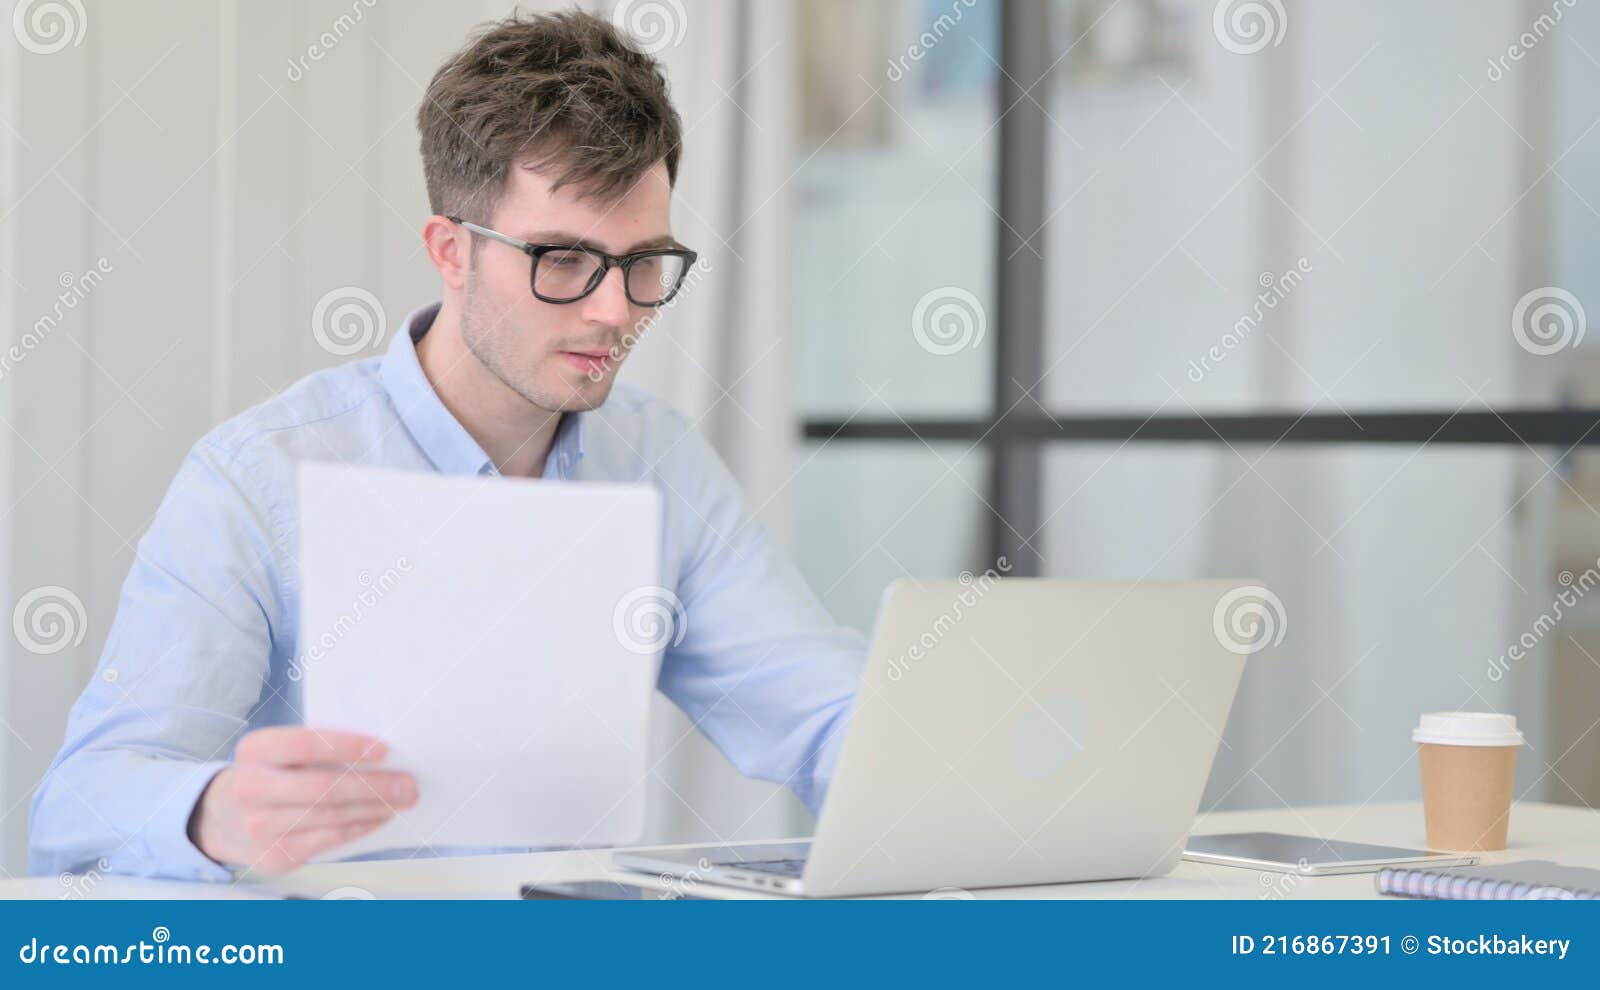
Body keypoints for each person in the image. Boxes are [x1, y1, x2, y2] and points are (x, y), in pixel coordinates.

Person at [30, 10, 863, 880]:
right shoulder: (257, 479)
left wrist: (931, 775)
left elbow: (820, 711)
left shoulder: (659, 459)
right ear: (452, 252)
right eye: (563, 260)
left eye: (644, 262)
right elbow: (77, 810)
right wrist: (214, 814)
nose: (615, 311)